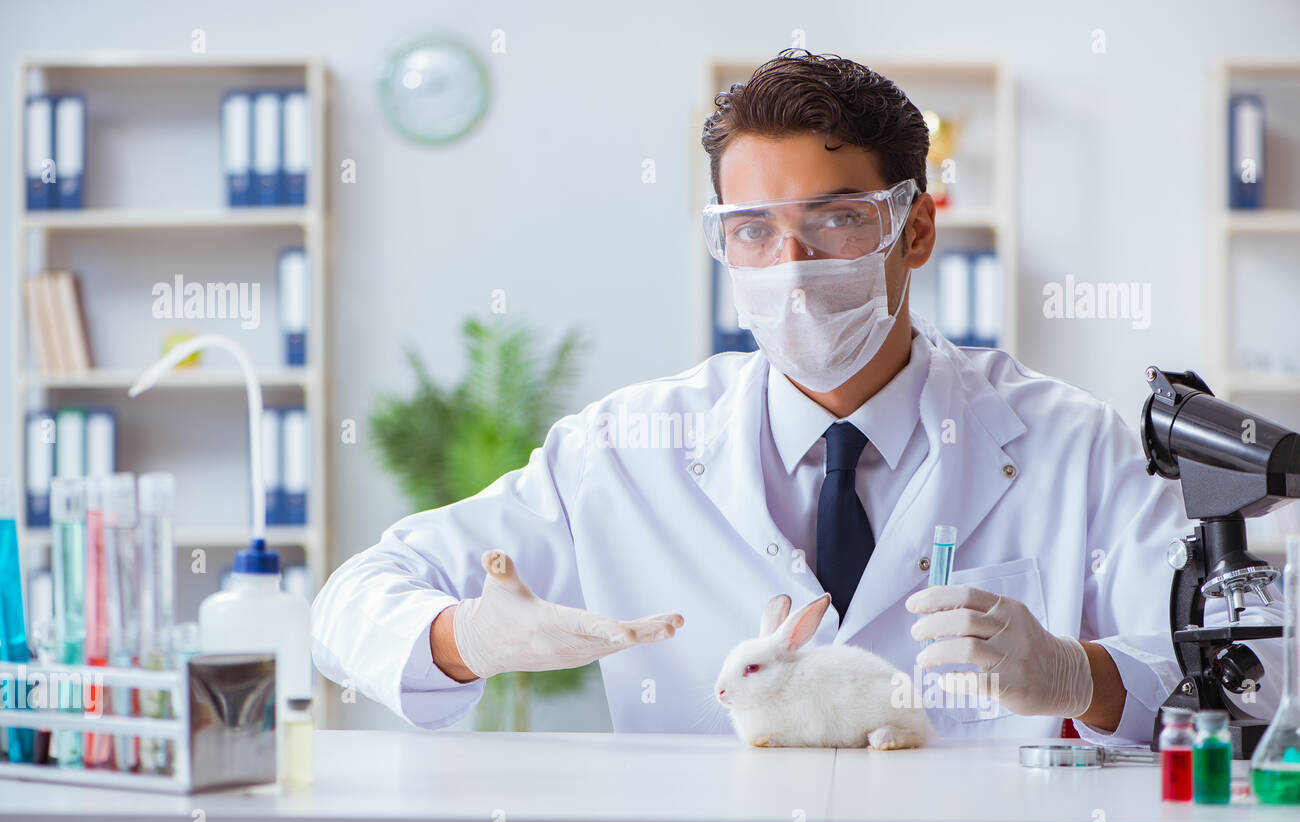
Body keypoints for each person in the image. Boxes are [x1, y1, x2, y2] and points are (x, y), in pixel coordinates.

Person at [312, 50, 1279, 743]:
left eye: (836, 220)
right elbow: (350, 601)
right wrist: (461, 637)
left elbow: (1249, 675)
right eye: (752, 231)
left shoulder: (1075, 443)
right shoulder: (621, 448)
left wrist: (1083, 676)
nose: (790, 264)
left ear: (917, 231)